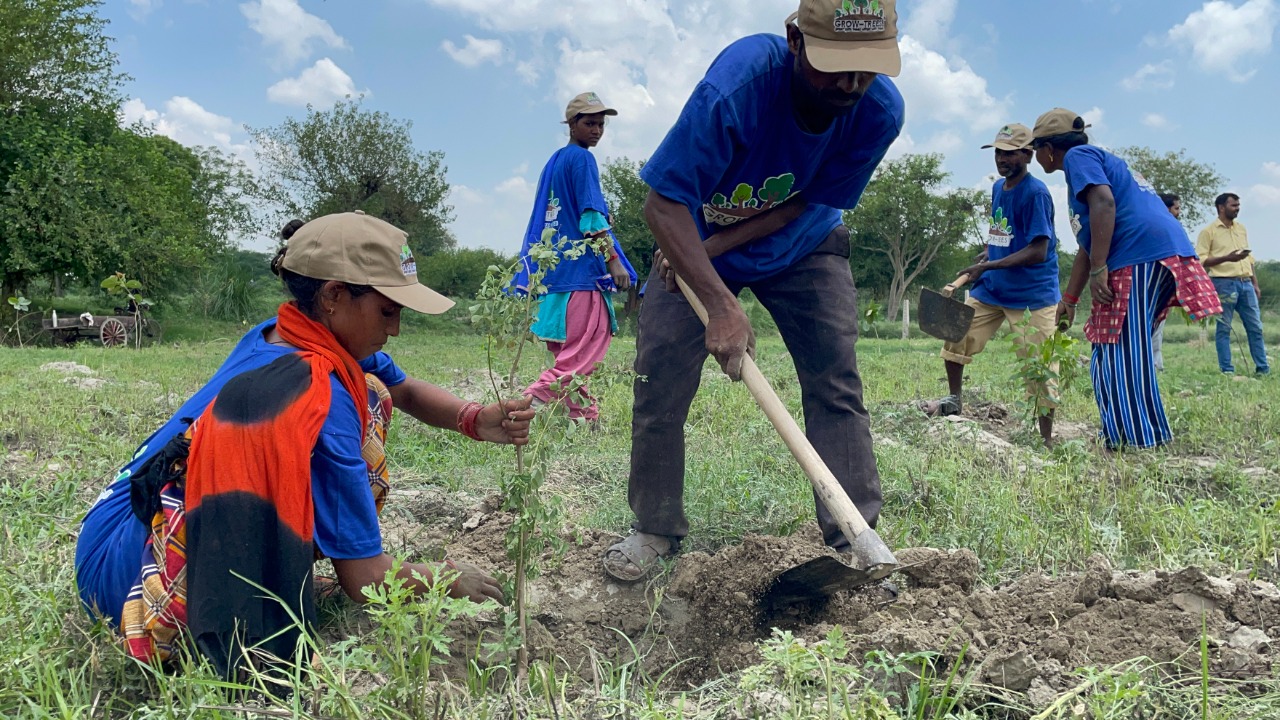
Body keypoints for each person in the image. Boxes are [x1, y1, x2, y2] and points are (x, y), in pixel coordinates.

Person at [74, 213, 535, 675]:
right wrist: (448, 579)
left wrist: (474, 419)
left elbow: (407, 389)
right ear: (334, 295)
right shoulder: (325, 393)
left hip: (107, 533)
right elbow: (366, 580)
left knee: (371, 387)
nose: (395, 329)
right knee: (367, 400)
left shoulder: (283, 332)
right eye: (388, 311)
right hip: (132, 582)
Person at [602, 0, 905, 580]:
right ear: (795, 40)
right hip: (687, 236)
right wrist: (714, 293)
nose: (851, 82)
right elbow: (662, 204)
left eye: (867, 67)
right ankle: (655, 528)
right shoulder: (736, 88)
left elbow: (805, 203)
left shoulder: (877, 113)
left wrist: (719, 264)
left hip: (803, 244)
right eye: (835, 63)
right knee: (659, 377)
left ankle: (853, 535)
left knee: (834, 379)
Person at [1033, 109, 1221, 449]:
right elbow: (1087, 245)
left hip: (1139, 256)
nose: (1035, 156)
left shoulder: (1079, 157)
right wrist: (1070, 300)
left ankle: (1136, 442)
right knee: (1112, 351)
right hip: (1148, 254)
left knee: (1122, 351)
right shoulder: (1092, 164)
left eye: (1036, 149)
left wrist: (1100, 268)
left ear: (1048, 148)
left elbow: (1104, 204)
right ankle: (1133, 434)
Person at [922, 124, 1061, 445]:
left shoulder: (1036, 193)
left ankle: (1046, 439)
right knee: (956, 335)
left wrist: (988, 264)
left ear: (1027, 154)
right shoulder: (999, 188)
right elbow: (1002, 236)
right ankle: (954, 401)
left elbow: (1038, 250)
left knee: (1038, 367)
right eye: (999, 152)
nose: (1002, 158)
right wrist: (983, 261)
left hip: (1032, 296)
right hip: (993, 288)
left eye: (1010, 152)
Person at [515, 92, 637, 423]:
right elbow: (590, 217)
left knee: (570, 358)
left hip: (554, 279)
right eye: (589, 123)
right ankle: (520, 407)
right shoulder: (582, 159)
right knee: (581, 358)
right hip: (582, 277)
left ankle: (585, 420)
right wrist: (613, 259)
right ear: (572, 125)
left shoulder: (554, 162)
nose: (597, 130)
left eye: (601, 124)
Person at [1197, 193, 1269, 375]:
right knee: (1224, 329)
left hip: (1245, 283)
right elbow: (1201, 260)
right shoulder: (1209, 231)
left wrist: (1255, 283)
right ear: (1221, 207)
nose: (1237, 208)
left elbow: (1249, 259)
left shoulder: (1241, 228)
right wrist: (1228, 258)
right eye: (1233, 205)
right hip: (1223, 283)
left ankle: (1263, 369)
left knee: (1256, 328)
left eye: (1238, 205)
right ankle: (1227, 370)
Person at [1151, 192, 1186, 371]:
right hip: (1152, 284)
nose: (1178, 212)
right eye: (1176, 208)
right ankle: (1151, 366)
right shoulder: (1159, 228)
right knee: (1151, 326)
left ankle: (1156, 365)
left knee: (1157, 326)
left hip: (1163, 285)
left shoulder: (1171, 228)